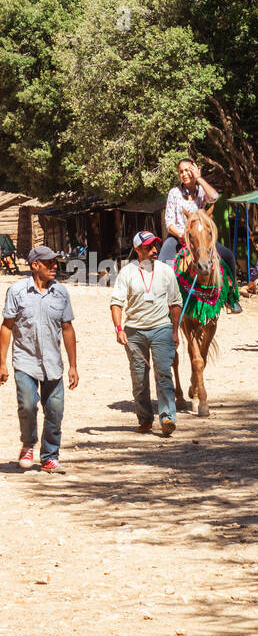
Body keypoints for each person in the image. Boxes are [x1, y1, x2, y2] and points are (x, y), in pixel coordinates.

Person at [0, 245, 79, 473]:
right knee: (27, 405)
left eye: (55, 262)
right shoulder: (16, 291)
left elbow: (68, 328)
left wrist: (73, 365)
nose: (55, 266)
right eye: (49, 263)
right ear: (35, 266)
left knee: (55, 410)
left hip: (54, 363)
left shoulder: (61, 293)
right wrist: (2, 363)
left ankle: (50, 457)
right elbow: (6, 327)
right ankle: (28, 443)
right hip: (25, 360)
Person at [110, 231, 181, 436]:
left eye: (155, 246)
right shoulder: (127, 273)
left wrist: (174, 331)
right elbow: (116, 303)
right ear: (137, 250)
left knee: (164, 374)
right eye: (149, 247)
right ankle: (145, 418)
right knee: (139, 378)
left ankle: (167, 417)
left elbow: (176, 302)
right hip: (135, 332)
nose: (154, 250)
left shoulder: (167, 271)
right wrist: (118, 329)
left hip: (161, 329)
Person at [158, 160, 241, 313]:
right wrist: (181, 234)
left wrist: (200, 179)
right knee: (162, 262)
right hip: (179, 237)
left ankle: (231, 296)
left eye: (188, 170)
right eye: (181, 171)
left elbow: (215, 197)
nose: (184, 174)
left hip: (201, 239)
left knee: (228, 256)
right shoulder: (174, 193)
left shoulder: (202, 191)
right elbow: (169, 222)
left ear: (195, 171)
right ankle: (162, 302)